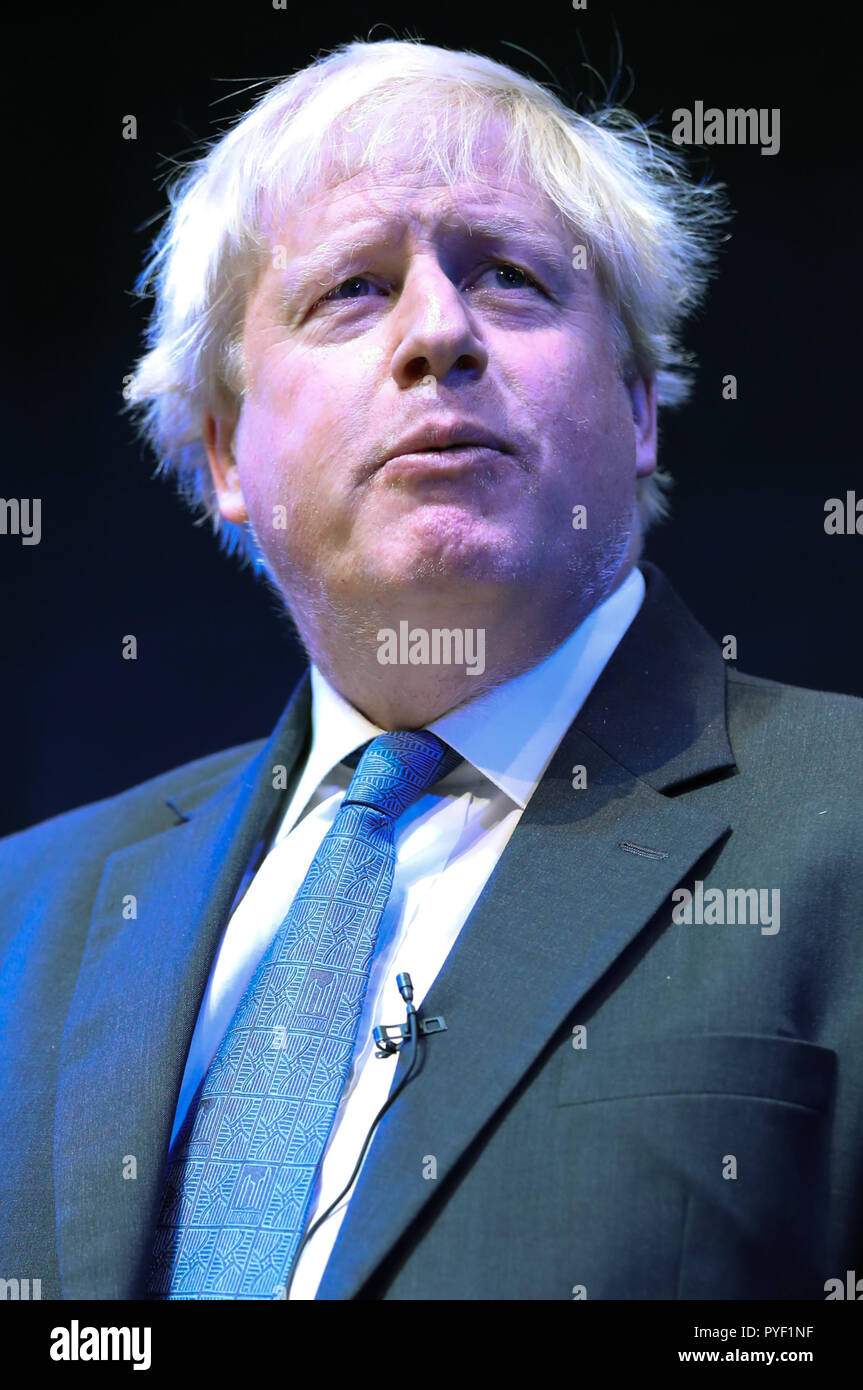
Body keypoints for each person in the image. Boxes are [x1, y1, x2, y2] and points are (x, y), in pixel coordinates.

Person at [1, 37, 861, 1303]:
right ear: (228, 450)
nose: (437, 333)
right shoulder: (23, 916)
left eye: (509, 277)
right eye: (351, 288)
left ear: (635, 407)